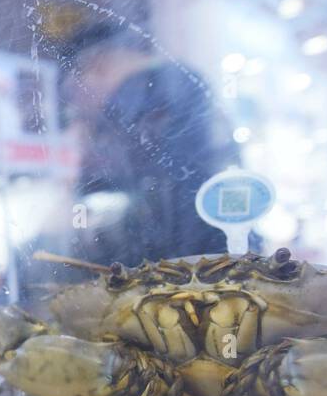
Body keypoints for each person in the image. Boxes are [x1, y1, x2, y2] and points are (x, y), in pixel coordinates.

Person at [19, 22, 238, 298]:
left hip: (183, 290)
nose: (76, 108)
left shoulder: (146, 98)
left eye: (74, 96)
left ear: (96, 67)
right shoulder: (179, 88)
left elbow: (161, 214)